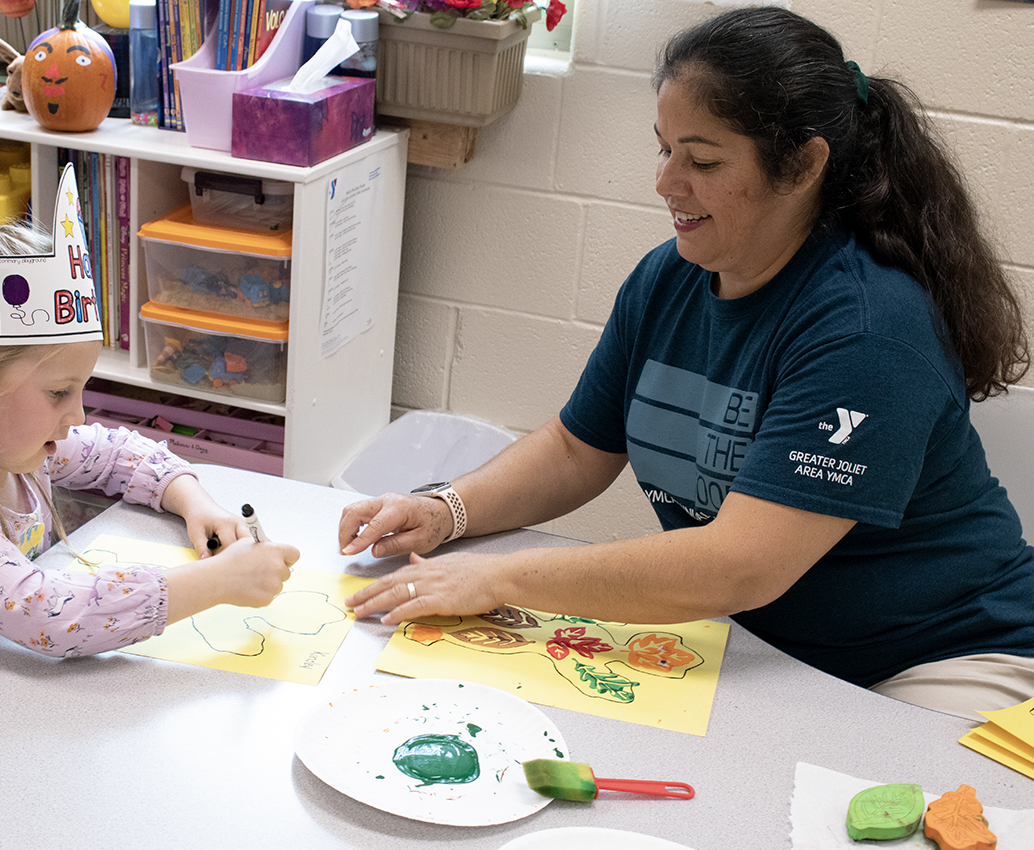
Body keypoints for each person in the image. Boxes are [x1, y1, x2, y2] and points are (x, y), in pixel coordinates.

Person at [339, 7, 1034, 720]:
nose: (668, 183)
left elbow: (738, 564)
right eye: (664, 150)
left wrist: (499, 579)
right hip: (769, 647)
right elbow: (577, 447)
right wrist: (444, 511)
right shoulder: (669, 276)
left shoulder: (869, 330)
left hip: (944, 655)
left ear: (803, 165)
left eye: (702, 161)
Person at [0, 165, 299, 845]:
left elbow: (113, 451)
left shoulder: (14, 442)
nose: (75, 414)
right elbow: (44, 614)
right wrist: (217, 583)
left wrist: (190, 496)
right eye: (59, 393)